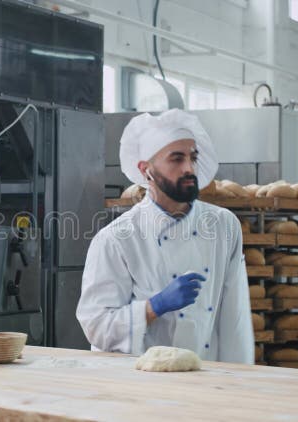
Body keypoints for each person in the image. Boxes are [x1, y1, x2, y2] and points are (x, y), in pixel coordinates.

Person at [76, 109, 253, 363]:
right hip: (140, 383)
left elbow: (235, 321)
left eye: (193, 158)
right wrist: (153, 307)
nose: (189, 168)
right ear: (146, 170)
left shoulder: (223, 226)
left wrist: (239, 384)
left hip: (204, 379)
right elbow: (96, 326)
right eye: (176, 159)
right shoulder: (117, 239)